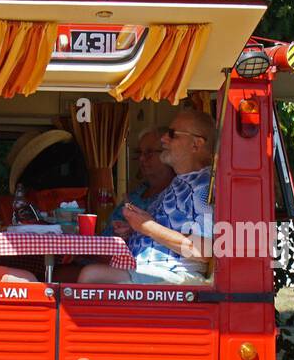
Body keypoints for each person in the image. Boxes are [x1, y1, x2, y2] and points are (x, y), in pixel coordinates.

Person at [79, 108, 215, 285]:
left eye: (172, 134)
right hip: (144, 270)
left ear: (196, 144)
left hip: (172, 277)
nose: (164, 139)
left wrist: (147, 226)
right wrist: (133, 229)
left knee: (91, 275)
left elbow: (204, 250)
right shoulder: (180, 182)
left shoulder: (204, 187)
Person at [104, 127, 174, 236]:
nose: (141, 158)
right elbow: (108, 231)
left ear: (169, 154)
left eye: (149, 152)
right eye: (139, 152)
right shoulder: (136, 193)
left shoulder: (177, 194)